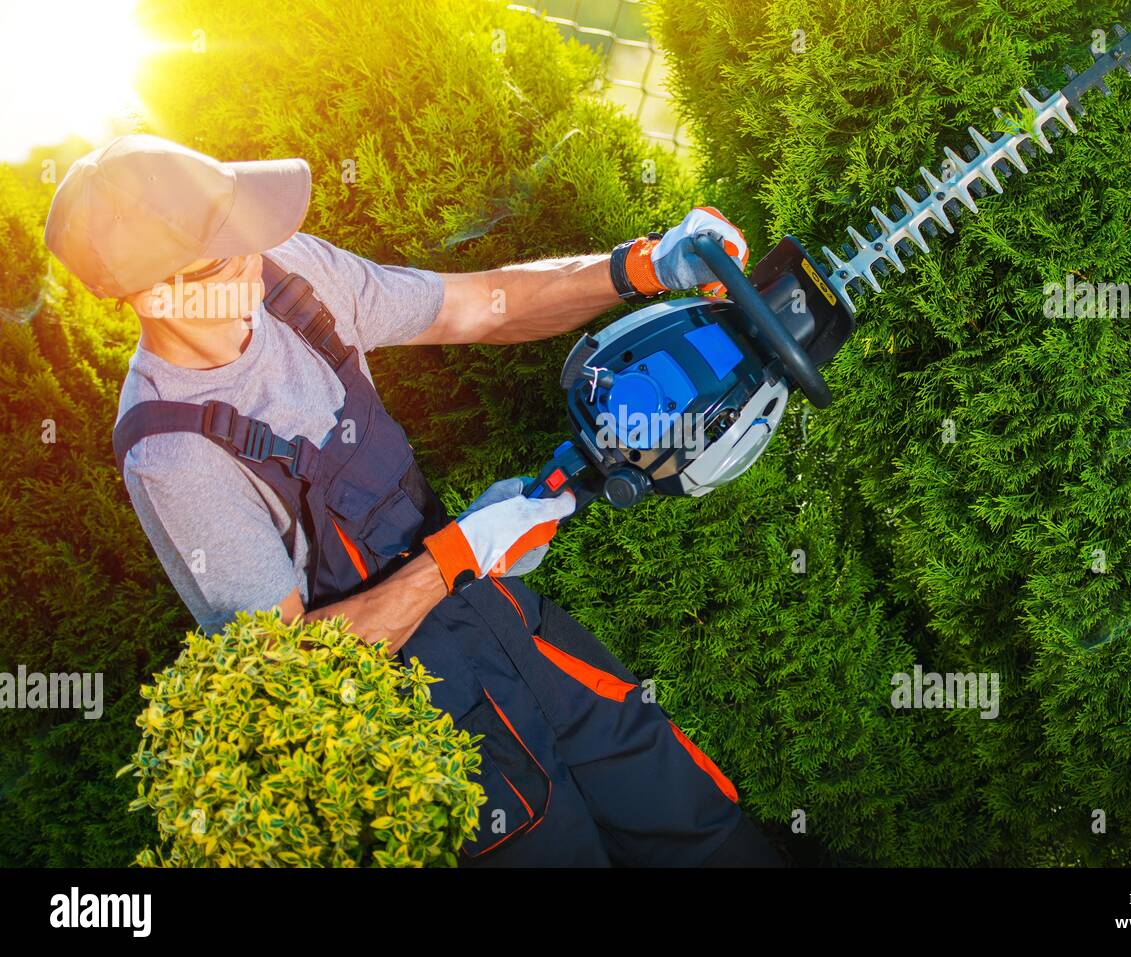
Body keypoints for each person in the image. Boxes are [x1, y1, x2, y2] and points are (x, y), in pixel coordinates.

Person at [44, 133, 783, 867]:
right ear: (151, 292)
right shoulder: (173, 451)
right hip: (423, 722)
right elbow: (294, 669)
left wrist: (640, 266)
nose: (254, 257)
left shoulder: (289, 277)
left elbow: (476, 307)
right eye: (224, 252)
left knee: (699, 822)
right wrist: (458, 554)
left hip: (500, 621)